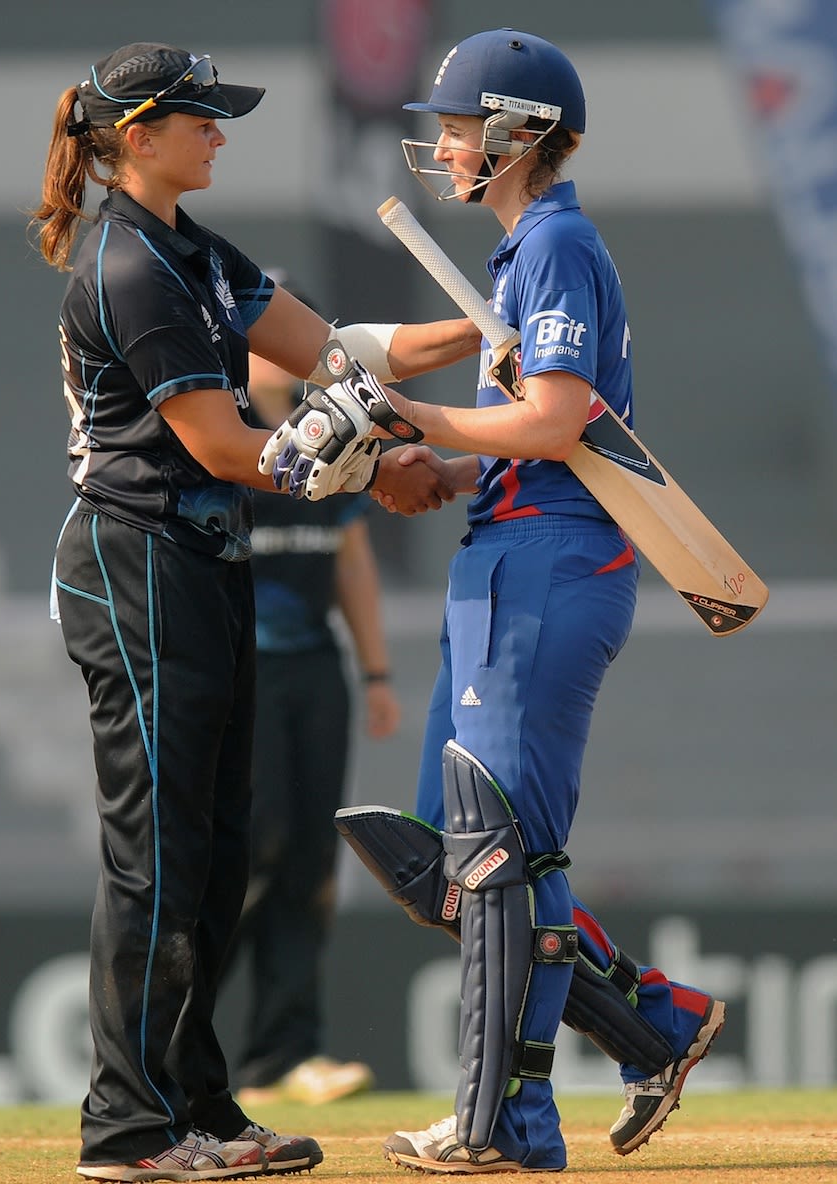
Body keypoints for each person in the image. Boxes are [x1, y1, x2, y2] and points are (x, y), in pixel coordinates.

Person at [263, 28, 726, 1175]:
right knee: (443, 858)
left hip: (552, 561)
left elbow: (560, 419)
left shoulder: (558, 242)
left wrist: (406, 416)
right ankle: (654, 1023)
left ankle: (506, 1124)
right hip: (507, 540)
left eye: (462, 124)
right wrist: (415, 461)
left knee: (495, 857)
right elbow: (526, 442)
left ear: (518, 133)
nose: (447, 142)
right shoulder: (524, 254)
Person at [29, 40, 479, 1183]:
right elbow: (225, 444)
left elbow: (337, 349)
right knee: (159, 855)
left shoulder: (188, 249)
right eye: (202, 118)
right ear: (138, 136)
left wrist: (498, 316)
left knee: (218, 852)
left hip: (195, 561)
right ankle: (130, 1130)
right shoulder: (127, 262)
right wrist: (380, 464)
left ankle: (200, 1105)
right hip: (135, 566)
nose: (220, 133)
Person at [226, 290, 400, 1106]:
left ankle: (283, 1056)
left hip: (313, 672)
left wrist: (374, 673)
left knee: (307, 861)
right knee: (248, 857)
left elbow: (351, 561)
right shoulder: (219, 439)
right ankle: (179, 1051)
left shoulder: (329, 441)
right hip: (242, 671)